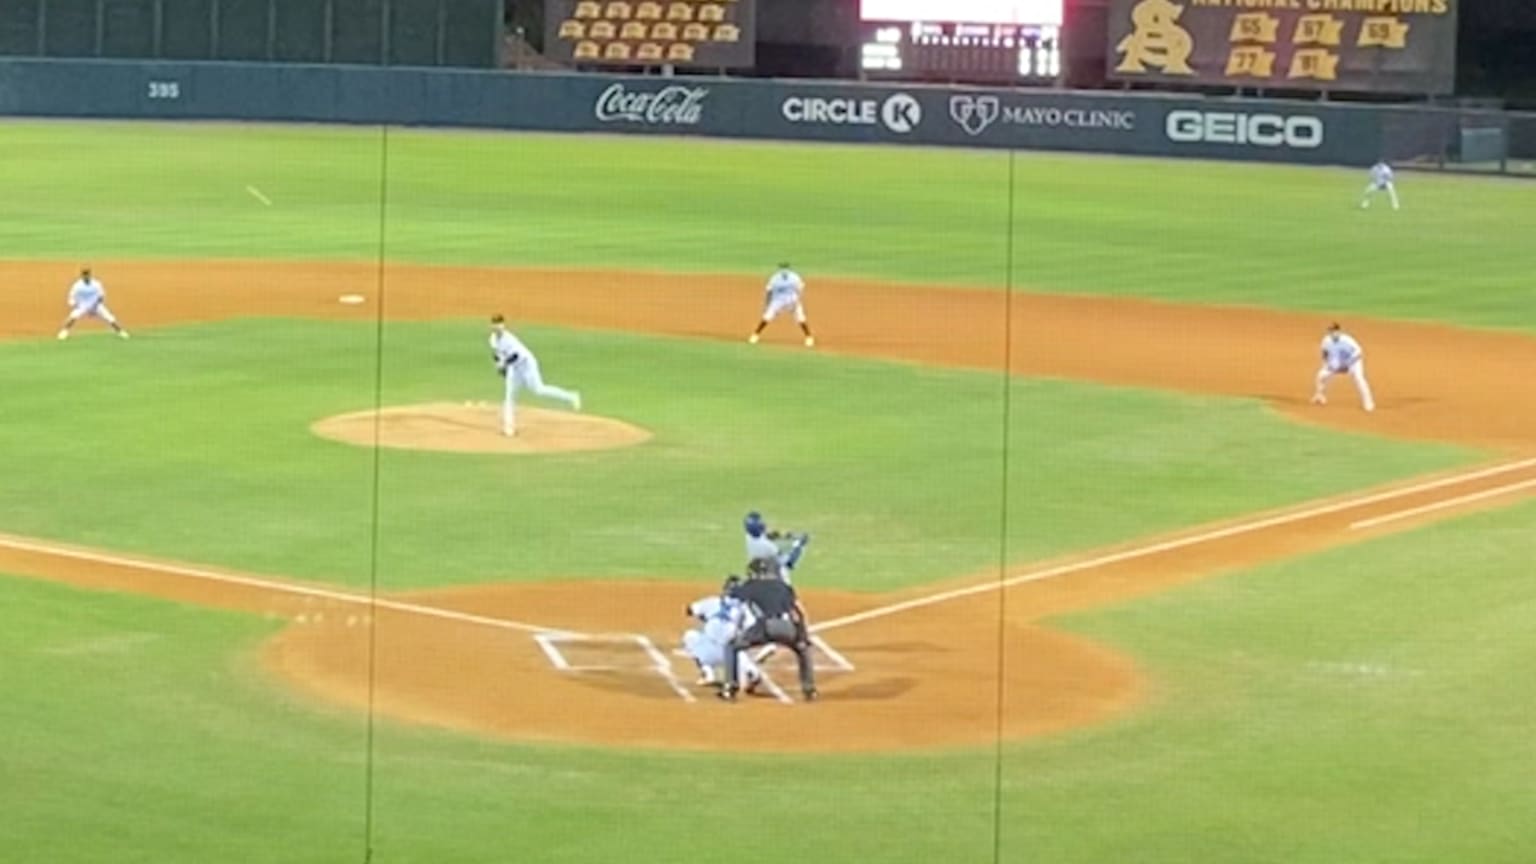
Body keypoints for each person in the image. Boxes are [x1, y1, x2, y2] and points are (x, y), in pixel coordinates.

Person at [720, 566, 817, 703]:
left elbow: (732, 594)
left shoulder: (751, 585)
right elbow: (798, 614)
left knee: (732, 646)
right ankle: (809, 689)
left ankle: (730, 688)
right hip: (787, 628)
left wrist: (730, 587)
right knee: (803, 650)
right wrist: (802, 636)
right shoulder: (784, 587)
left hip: (764, 628)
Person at [487, 314, 581, 437]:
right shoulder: (493, 339)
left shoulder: (509, 339)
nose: (497, 326)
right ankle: (509, 428)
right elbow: (497, 354)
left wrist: (504, 364)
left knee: (539, 390)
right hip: (514, 369)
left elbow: (516, 356)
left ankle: (571, 396)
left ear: (503, 325)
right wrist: (499, 365)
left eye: (499, 323)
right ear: (491, 326)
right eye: (495, 323)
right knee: (509, 397)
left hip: (527, 365)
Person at [681, 575, 763, 690]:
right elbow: (752, 625)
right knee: (739, 649)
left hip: (707, 651)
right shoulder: (743, 608)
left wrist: (705, 617)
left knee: (689, 636)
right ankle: (751, 672)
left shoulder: (713, 602)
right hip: (730, 656)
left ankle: (707, 672)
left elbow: (690, 610)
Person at [1311, 322, 1375, 412]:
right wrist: (1328, 365)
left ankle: (1368, 403)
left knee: (1359, 378)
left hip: (1353, 363)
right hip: (1338, 363)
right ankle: (1319, 395)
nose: (1333, 333)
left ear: (1339, 331)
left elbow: (1358, 352)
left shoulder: (1347, 340)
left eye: (1335, 330)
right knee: (1321, 375)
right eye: (1331, 331)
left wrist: (1349, 364)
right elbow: (1324, 354)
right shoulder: (1326, 341)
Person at [747, 263, 814, 347]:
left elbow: (800, 289)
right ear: (779, 269)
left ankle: (809, 337)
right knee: (767, 317)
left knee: (801, 318)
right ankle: (755, 335)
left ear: (789, 269)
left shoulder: (795, 277)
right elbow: (769, 292)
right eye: (782, 268)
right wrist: (767, 303)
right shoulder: (774, 278)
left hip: (792, 300)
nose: (784, 271)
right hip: (778, 301)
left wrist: (798, 300)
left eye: (785, 268)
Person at [57, 267, 129, 340]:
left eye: (87, 274)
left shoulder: (96, 284)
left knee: (109, 317)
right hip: (83, 305)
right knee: (73, 316)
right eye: (84, 275)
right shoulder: (77, 285)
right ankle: (64, 332)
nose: (86, 276)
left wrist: (95, 307)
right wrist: (74, 304)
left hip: (96, 305)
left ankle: (120, 332)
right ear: (82, 276)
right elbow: (72, 296)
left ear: (90, 275)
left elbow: (101, 296)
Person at [742, 511, 810, 586]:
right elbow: (788, 562)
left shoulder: (749, 536)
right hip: (775, 578)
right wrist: (799, 545)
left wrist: (787, 535)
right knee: (785, 568)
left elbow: (769, 535)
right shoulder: (768, 547)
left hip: (756, 574)